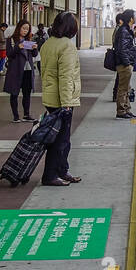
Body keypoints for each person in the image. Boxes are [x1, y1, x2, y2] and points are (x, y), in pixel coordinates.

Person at [40, 11, 82, 186]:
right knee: (60, 140)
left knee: (59, 138)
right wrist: (66, 104)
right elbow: (66, 76)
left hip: (50, 97)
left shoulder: (48, 44)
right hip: (62, 100)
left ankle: (62, 171)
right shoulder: (67, 46)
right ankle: (50, 176)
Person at [3, 19, 37, 121]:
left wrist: (35, 48)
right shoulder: (12, 39)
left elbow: (34, 55)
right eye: (24, 28)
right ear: (19, 28)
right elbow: (9, 54)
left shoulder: (29, 41)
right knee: (14, 93)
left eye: (27, 29)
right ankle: (16, 116)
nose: (25, 31)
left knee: (27, 93)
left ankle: (26, 114)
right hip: (16, 70)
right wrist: (18, 47)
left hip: (28, 70)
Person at [113, 9, 136, 119]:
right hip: (124, 65)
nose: (135, 18)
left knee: (127, 88)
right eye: (134, 16)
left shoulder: (126, 30)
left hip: (126, 63)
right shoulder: (124, 31)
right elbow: (122, 49)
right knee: (123, 89)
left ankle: (127, 109)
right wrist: (127, 63)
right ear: (130, 18)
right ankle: (121, 111)